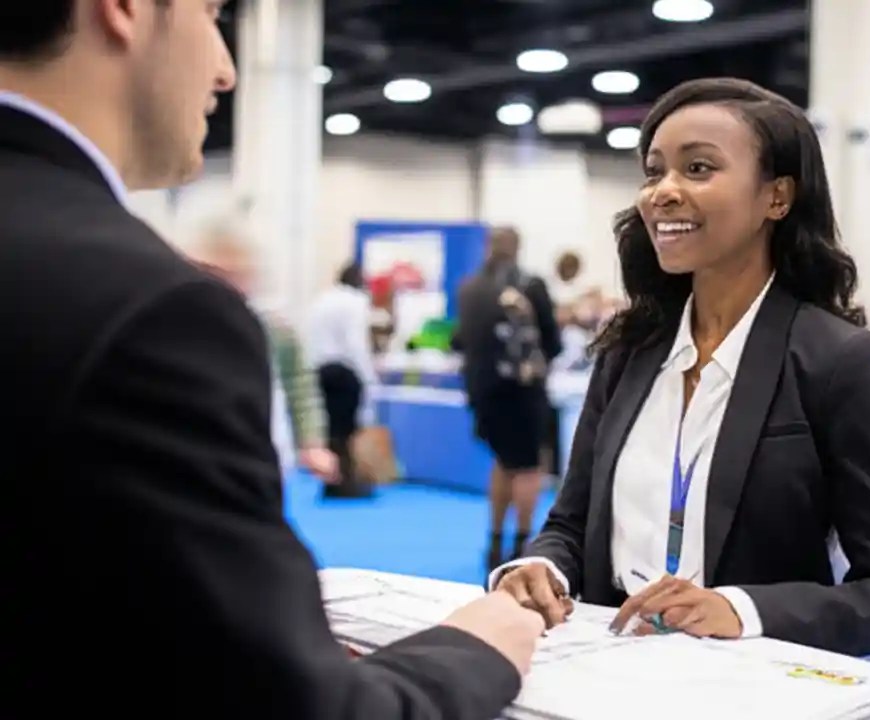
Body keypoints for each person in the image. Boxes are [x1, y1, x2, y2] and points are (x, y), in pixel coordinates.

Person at [0, 3, 542, 718]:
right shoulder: (148, 308)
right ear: (125, 9)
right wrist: (478, 646)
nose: (226, 68)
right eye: (212, 14)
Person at [491, 78, 870, 658]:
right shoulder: (629, 349)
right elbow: (571, 525)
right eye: (654, 171)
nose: (662, 193)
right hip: (602, 671)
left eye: (697, 169)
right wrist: (541, 566)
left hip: (747, 686)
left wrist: (739, 609)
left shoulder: (837, 360)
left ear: (777, 197)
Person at [455, 227, 563, 571]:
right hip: (523, 390)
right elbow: (553, 342)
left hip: (482, 392)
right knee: (529, 467)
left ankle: (494, 540)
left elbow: (460, 340)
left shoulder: (470, 289)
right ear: (517, 248)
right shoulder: (531, 286)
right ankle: (521, 543)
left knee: (502, 462)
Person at [194, 223, 336, 482]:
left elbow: (300, 387)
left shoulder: (275, 330)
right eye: (212, 271)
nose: (225, 282)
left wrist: (312, 441)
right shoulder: (179, 325)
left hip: (263, 449)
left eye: (233, 274)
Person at [307, 262, 379, 499]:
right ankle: (344, 481)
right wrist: (368, 377)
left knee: (330, 428)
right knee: (346, 431)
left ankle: (332, 480)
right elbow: (355, 343)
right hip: (344, 371)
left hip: (320, 368)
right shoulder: (356, 302)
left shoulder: (322, 299)